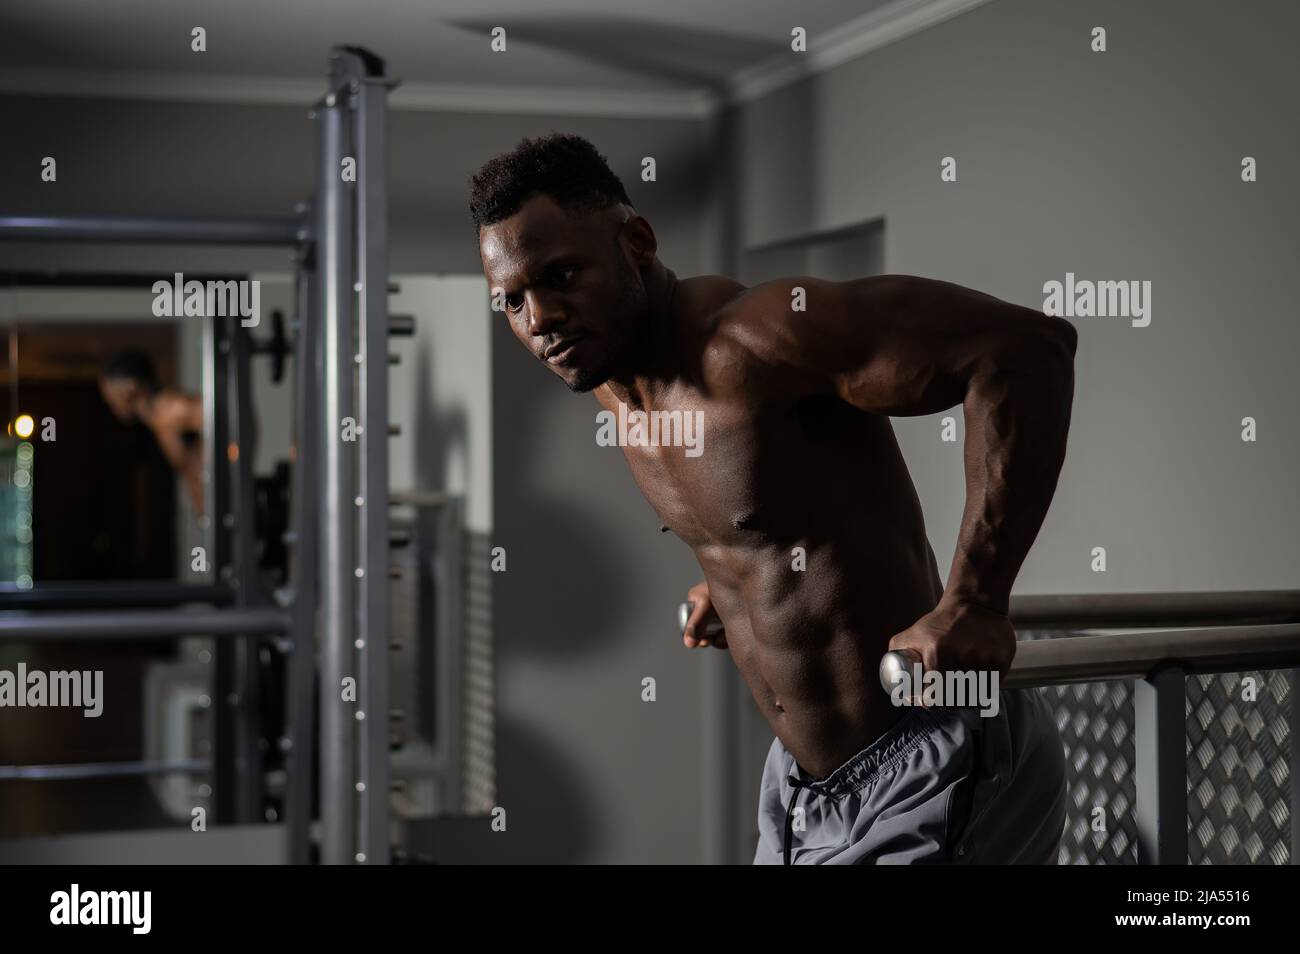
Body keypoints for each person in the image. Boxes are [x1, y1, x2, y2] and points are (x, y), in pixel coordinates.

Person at [470, 133, 1076, 864]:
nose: (539, 320)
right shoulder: (614, 381)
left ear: (636, 240)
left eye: (561, 275)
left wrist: (978, 600)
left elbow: (1023, 350)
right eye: (512, 301)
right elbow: (773, 506)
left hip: (932, 752)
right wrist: (735, 584)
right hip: (802, 791)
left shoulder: (757, 338)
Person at [98, 349, 206, 518]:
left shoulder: (170, 408)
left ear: (129, 385)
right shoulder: (159, 421)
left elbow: (227, 419)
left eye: (109, 389)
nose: (108, 400)